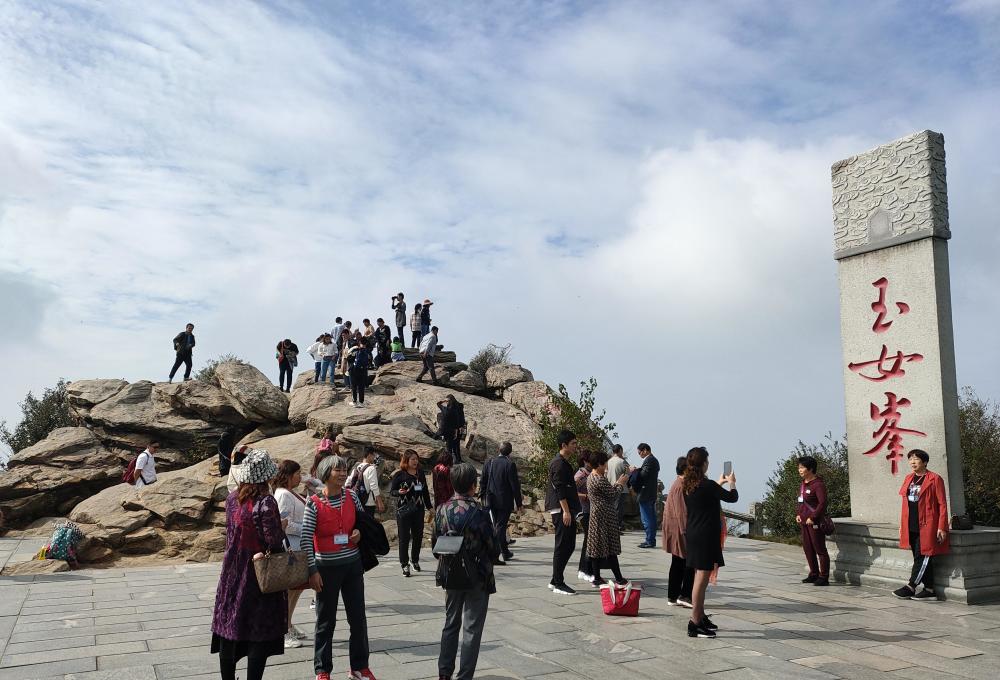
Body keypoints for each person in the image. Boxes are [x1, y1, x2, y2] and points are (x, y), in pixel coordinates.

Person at [210, 448, 286, 680]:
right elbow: (272, 540)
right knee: (257, 632)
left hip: (231, 572)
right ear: (266, 476)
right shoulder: (266, 502)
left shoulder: (232, 498)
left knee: (230, 624)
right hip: (257, 574)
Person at [301, 454, 376, 680]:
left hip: (352, 566)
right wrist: (312, 571)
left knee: (358, 618)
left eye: (344, 470)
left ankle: (360, 667)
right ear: (326, 474)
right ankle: (322, 670)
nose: (343, 473)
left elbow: (364, 523)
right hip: (326, 568)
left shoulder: (352, 496)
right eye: (338, 470)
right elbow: (306, 538)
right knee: (326, 621)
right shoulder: (313, 503)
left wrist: (359, 533)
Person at [435, 463, 498, 680]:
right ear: (473, 485)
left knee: (450, 623)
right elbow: (493, 548)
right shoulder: (481, 512)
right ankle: (464, 676)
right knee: (472, 628)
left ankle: (444, 674)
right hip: (478, 576)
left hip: (450, 573)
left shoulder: (442, 509)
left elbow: (436, 546)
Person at [683, 446, 737, 639]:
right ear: (704, 464)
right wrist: (732, 483)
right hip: (705, 537)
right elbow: (733, 498)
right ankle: (694, 622)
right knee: (701, 581)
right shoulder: (707, 485)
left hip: (694, 534)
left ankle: (700, 616)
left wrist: (719, 482)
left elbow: (707, 495)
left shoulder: (689, 484)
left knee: (700, 577)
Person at [893, 449, 949, 601]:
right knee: (921, 558)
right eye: (910, 459)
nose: (912, 462)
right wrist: (902, 525)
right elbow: (905, 504)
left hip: (928, 525)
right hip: (910, 523)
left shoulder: (935, 479)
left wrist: (941, 527)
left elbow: (942, 504)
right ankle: (929, 590)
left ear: (924, 462)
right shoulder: (909, 478)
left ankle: (911, 586)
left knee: (922, 556)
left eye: (916, 459)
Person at [271, 460, 308, 648]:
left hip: (299, 547)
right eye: (298, 473)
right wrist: (307, 528)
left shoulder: (290, 492)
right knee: (290, 590)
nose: (300, 477)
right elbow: (283, 523)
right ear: (289, 475)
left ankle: (288, 623)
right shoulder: (284, 494)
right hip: (291, 547)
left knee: (297, 588)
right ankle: (282, 629)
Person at [544, 430, 581, 595]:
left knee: (569, 544)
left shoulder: (564, 463)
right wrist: (566, 511)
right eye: (572, 443)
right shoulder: (558, 463)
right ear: (563, 445)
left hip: (565, 509)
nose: (575, 446)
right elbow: (559, 489)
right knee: (562, 545)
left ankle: (555, 579)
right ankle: (558, 582)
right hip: (561, 510)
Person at [587, 450, 631, 586]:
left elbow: (608, 492)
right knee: (611, 547)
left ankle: (597, 577)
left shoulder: (591, 477)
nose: (606, 465)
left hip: (596, 514)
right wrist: (621, 483)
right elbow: (613, 495)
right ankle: (618, 578)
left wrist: (616, 483)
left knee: (596, 546)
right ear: (600, 464)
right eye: (605, 462)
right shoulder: (599, 479)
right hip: (605, 516)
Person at [390, 450, 432, 577]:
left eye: (416, 459)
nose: (415, 461)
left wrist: (430, 507)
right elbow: (392, 491)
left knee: (418, 537)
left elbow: (425, 493)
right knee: (404, 538)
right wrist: (399, 492)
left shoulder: (420, 474)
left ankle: (415, 560)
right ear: (406, 461)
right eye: (412, 459)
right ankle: (404, 564)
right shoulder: (400, 475)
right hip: (404, 511)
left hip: (418, 510)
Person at [480, 442, 522, 563]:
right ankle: (496, 553)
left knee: (498, 526)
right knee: (500, 526)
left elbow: (483, 480)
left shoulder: (490, 462)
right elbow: (515, 486)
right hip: (504, 501)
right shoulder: (510, 464)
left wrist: (482, 495)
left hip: (491, 499)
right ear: (510, 452)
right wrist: (519, 503)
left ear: (499, 449)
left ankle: (505, 552)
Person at [662, 456, 695, 607]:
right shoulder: (680, 486)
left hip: (674, 529)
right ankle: (685, 595)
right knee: (689, 561)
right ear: (685, 469)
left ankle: (673, 596)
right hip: (679, 530)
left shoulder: (677, 484)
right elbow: (682, 512)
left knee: (677, 563)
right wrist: (687, 532)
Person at [796, 455, 830, 587]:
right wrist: (799, 514)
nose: (800, 470)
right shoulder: (803, 484)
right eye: (799, 467)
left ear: (810, 469)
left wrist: (813, 517)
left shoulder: (818, 485)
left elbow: (822, 504)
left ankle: (824, 576)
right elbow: (800, 501)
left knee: (820, 549)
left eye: (802, 467)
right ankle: (813, 573)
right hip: (804, 522)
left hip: (815, 522)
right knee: (808, 548)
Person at [633, 443, 660, 548]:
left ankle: (649, 540)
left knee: (647, 518)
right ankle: (650, 539)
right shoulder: (653, 460)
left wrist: (635, 470)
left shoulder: (650, 460)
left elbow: (644, 475)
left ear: (645, 450)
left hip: (646, 494)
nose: (639, 455)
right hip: (650, 493)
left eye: (639, 452)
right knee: (650, 517)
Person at [347, 446, 385, 516]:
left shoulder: (357, 467)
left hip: (357, 501)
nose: (374, 457)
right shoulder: (371, 468)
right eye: (373, 455)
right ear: (369, 455)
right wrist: (379, 502)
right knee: (368, 524)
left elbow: (348, 482)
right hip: (368, 503)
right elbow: (374, 486)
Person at [574, 451, 594, 584]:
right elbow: (572, 492)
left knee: (588, 540)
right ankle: (586, 570)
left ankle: (583, 569)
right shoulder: (580, 474)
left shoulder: (589, 474)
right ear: (585, 461)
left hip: (589, 510)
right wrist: (585, 497)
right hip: (583, 511)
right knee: (589, 540)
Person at [436, 395, 466, 463]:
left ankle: (451, 461)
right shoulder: (459, 406)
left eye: (447, 401)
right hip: (458, 429)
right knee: (456, 445)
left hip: (453, 430)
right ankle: (458, 459)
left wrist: (443, 401)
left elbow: (438, 404)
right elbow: (462, 419)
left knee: (450, 446)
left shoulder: (448, 410)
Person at [606, 444, 628, 532]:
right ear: (620, 450)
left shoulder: (608, 462)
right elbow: (627, 475)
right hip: (620, 488)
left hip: (610, 487)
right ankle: (616, 527)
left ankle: (612, 526)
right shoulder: (622, 462)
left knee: (612, 508)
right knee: (619, 509)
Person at [347, 340, 372, 407]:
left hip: (354, 370)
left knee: (353, 386)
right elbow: (369, 361)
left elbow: (348, 358)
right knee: (361, 387)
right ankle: (361, 402)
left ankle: (354, 402)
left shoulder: (354, 349)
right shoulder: (367, 351)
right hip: (363, 370)